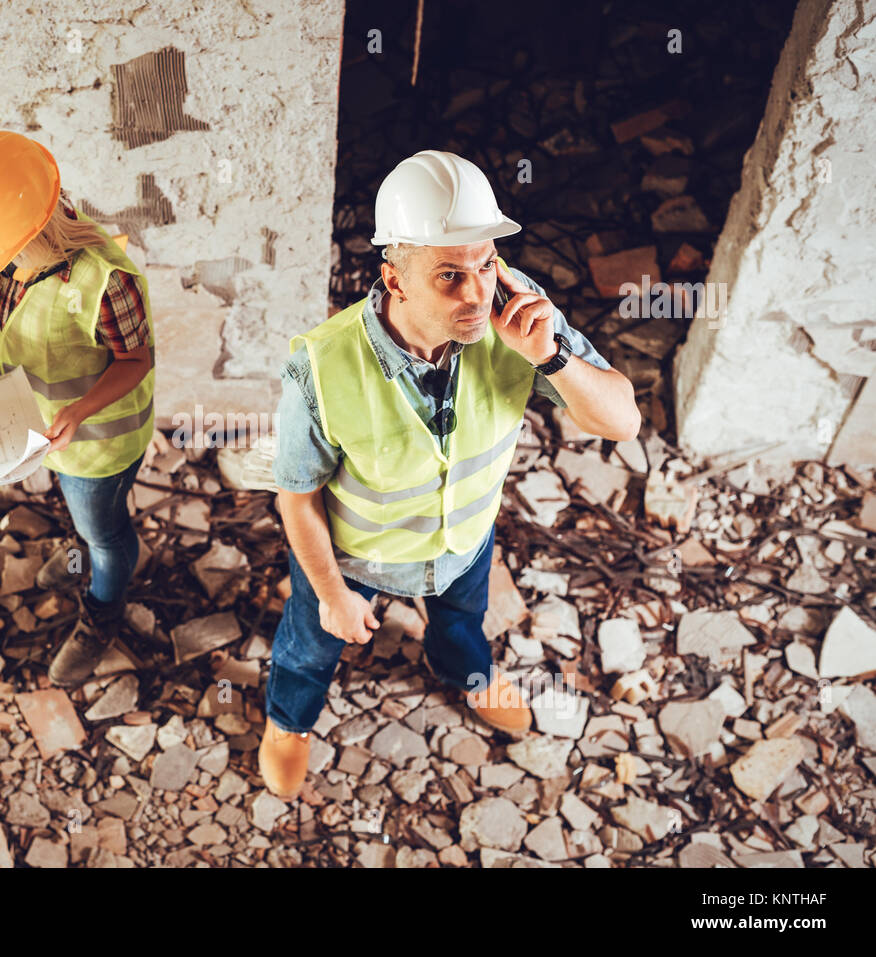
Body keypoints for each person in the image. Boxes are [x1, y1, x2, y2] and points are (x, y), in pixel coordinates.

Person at [258, 150, 642, 799]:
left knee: (463, 624)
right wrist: (332, 594)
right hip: (357, 556)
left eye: (486, 264)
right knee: (308, 645)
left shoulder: (521, 314)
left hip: (464, 543)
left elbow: (621, 421)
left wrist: (550, 358)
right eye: (449, 276)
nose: (477, 293)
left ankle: (467, 674)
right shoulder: (320, 368)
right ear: (396, 278)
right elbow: (296, 498)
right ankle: (288, 721)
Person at [0, 130, 154, 688]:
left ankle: (103, 611)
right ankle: (83, 549)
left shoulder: (107, 280)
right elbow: (13, 303)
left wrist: (79, 412)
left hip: (98, 445)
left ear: (29, 233)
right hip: (51, 433)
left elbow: (136, 360)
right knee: (84, 516)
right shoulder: (12, 259)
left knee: (105, 529)